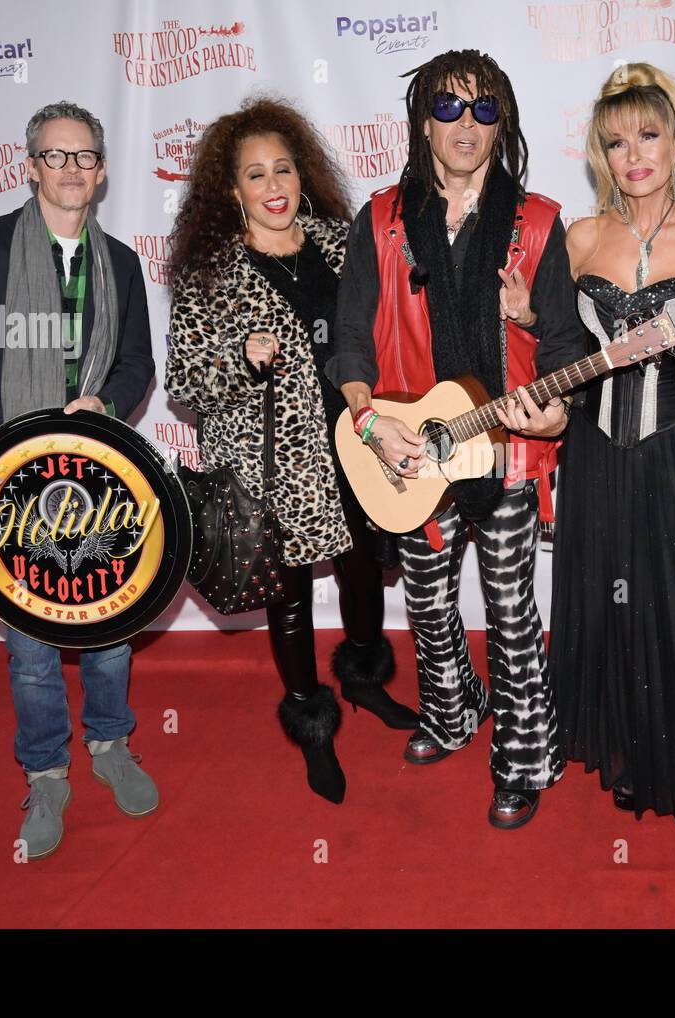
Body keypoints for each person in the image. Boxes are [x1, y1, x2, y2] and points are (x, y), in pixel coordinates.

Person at [327, 49, 587, 829]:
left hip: (505, 451)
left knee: (510, 612)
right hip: (410, 447)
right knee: (430, 608)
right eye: (447, 107)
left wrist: (557, 408)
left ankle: (525, 755)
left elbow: (566, 344)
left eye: (482, 108)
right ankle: (451, 711)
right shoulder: (381, 220)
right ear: (422, 122)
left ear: (501, 122)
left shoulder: (538, 223)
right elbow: (349, 337)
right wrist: (369, 423)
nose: (465, 123)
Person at [0, 101, 157, 860]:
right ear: (30, 167)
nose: (70, 169)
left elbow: (138, 362)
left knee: (111, 627)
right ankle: (47, 772)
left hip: (97, 475)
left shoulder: (121, 263)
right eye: (55, 155)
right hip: (3, 485)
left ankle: (111, 744)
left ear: (102, 171)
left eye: (84, 157)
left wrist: (106, 403)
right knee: (31, 649)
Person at [164, 96, 418, 807]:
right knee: (289, 592)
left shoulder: (342, 243)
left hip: (357, 442)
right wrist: (239, 358)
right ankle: (310, 719)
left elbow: (388, 330)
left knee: (364, 571)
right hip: (270, 463)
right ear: (231, 190)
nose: (273, 185)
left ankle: (363, 679)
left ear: (302, 175)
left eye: (283, 168)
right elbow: (184, 379)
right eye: (256, 174)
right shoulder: (211, 271)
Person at [548, 64, 675, 833]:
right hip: (595, 453)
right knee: (606, 593)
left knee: (674, 595)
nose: (634, 155)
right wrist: (524, 315)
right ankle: (624, 742)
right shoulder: (580, 237)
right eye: (616, 142)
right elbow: (560, 348)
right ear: (601, 155)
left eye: (649, 136)